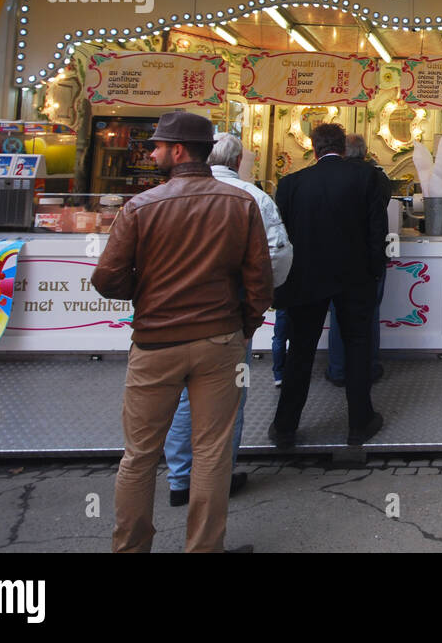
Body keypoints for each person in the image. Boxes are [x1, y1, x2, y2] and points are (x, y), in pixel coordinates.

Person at [91, 111, 273, 553]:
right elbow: (259, 281)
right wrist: (241, 327)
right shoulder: (240, 203)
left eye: (156, 145)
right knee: (212, 451)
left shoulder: (141, 206)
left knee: (138, 455)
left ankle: (131, 547)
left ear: (177, 151)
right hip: (219, 340)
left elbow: (106, 278)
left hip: (155, 343)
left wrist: (146, 295)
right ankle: (203, 547)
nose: (150, 152)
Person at [164, 134, 292, 507]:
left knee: (185, 394)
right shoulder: (253, 197)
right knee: (227, 394)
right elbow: (278, 254)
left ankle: (180, 478)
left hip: (176, 308)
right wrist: (258, 296)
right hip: (229, 310)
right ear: (238, 162)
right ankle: (216, 477)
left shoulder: (170, 193)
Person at [271, 122, 388, 448]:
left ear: (313, 146)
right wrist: (375, 270)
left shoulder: (291, 183)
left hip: (305, 279)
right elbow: (377, 232)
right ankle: (359, 423)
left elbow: (283, 239)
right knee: (357, 348)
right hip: (355, 277)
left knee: (301, 352)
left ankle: (285, 427)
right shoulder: (366, 177)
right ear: (341, 145)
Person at [326, 134, 389, 386]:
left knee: (338, 315)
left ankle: (339, 369)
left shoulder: (331, 177)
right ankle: (369, 367)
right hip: (369, 256)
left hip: (335, 255)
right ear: (365, 152)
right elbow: (379, 218)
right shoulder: (377, 178)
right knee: (369, 313)